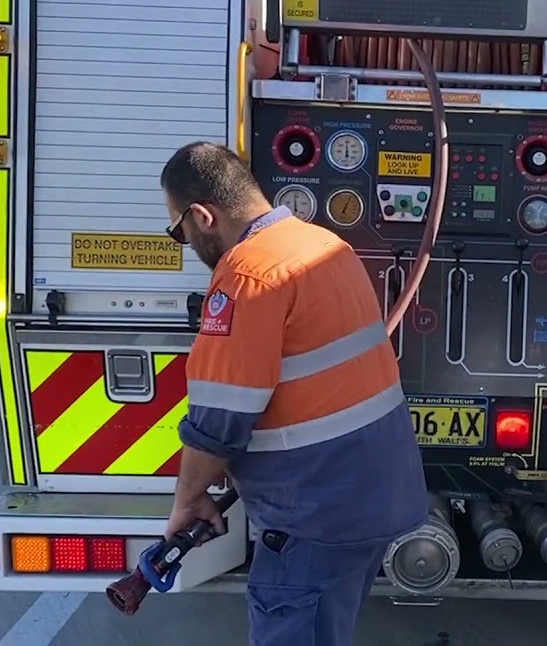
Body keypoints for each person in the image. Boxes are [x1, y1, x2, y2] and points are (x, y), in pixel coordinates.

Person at [158, 141, 428, 646]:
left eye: (178, 231)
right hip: (372, 497)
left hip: (316, 515)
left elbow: (219, 419)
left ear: (202, 215)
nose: (184, 242)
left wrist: (188, 500)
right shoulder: (324, 246)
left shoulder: (248, 276)